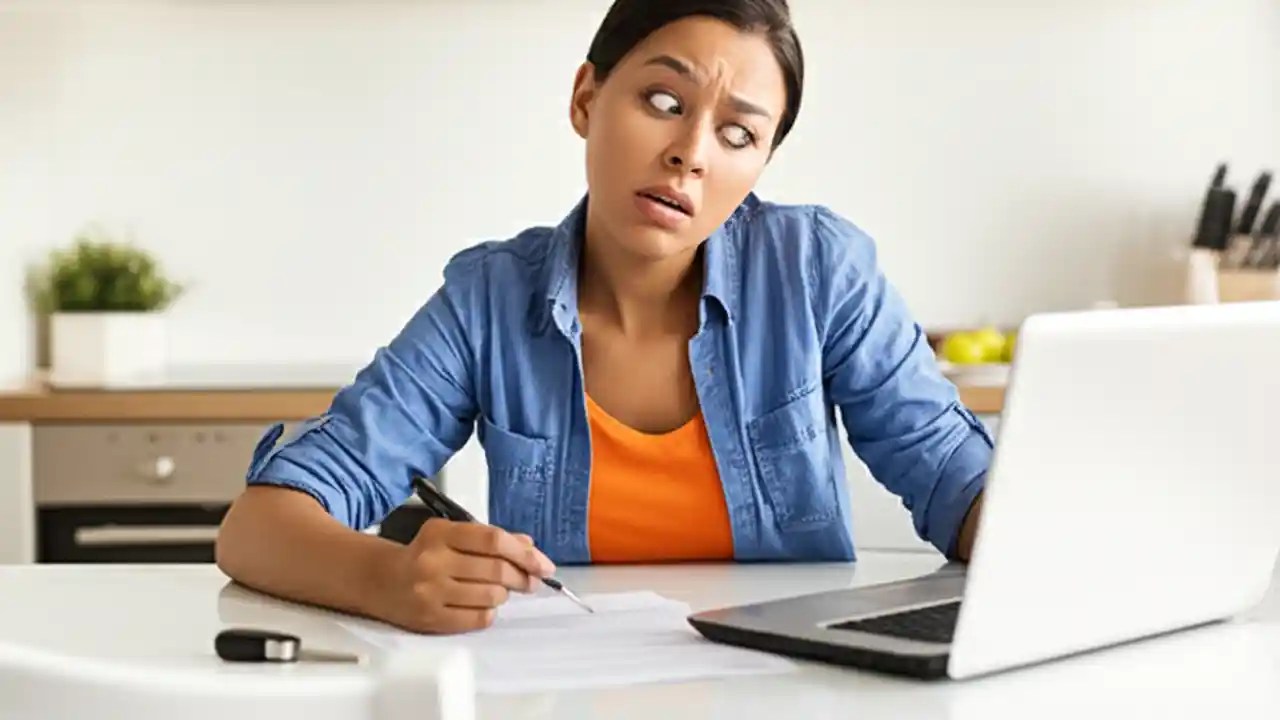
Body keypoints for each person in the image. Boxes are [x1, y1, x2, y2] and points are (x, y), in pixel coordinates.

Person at [215, 0, 993, 635]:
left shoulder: (820, 272)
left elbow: (961, 487)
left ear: (760, 164)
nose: (690, 153)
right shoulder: (488, 302)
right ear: (587, 98)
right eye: (663, 102)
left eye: (737, 134)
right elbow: (256, 527)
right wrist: (390, 576)